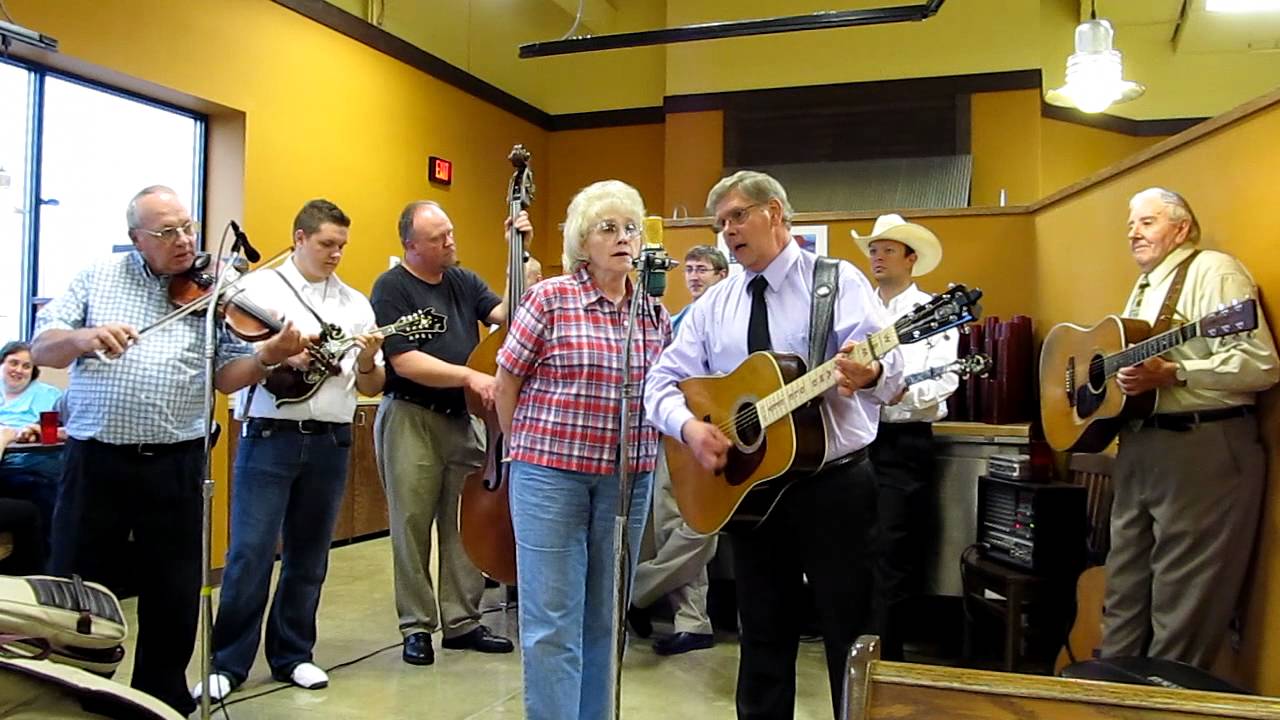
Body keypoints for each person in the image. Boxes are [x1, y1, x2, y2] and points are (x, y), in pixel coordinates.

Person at [29, 185, 306, 715]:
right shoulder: (96, 277)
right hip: (97, 461)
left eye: (188, 227)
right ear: (135, 238)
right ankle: (76, 695)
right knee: (78, 584)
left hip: (178, 461)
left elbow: (228, 378)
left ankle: (160, 699)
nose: (183, 242)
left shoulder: (217, 288)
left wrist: (268, 357)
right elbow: (44, 344)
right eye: (166, 233)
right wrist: (84, 338)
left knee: (174, 591)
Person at [645, 171, 903, 720]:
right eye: (721, 224)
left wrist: (871, 369)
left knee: (852, 631)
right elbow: (660, 382)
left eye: (739, 216)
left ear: (777, 214)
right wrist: (688, 428)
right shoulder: (716, 304)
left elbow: (894, 373)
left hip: (834, 486)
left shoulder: (838, 283)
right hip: (752, 493)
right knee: (760, 634)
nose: (729, 232)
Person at [193, 200, 385, 701]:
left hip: (332, 438)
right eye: (326, 244)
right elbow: (237, 356)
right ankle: (227, 662)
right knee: (250, 551)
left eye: (342, 245)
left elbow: (371, 383)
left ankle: (294, 653)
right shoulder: (258, 289)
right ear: (299, 238)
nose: (336, 254)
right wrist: (278, 351)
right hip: (268, 433)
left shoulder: (356, 304)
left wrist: (367, 360)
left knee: (309, 555)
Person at [494, 180, 670, 719]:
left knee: (606, 619)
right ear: (581, 242)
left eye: (631, 228)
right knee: (552, 620)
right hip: (551, 477)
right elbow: (507, 383)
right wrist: (520, 452)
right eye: (607, 228)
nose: (623, 238)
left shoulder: (652, 311)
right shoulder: (551, 297)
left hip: (627, 481)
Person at [1101, 187, 1278, 669]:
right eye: (1131, 225)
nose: (1134, 233)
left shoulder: (1214, 271)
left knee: (1183, 603)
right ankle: (1106, 699)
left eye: (1148, 222)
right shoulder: (1143, 287)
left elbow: (1262, 365)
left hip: (1202, 444)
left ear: (1181, 228)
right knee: (1123, 590)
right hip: (1143, 445)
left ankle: (1166, 703)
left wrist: (1177, 373)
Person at [370, 200, 522, 666]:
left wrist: (519, 250)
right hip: (411, 416)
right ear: (411, 245)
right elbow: (403, 360)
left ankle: (462, 622)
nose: (450, 242)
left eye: (450, 233)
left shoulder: (463, 280)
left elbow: (507, 316)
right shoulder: (392, 287)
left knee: (464, 524)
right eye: (439, 238)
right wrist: (468, 376)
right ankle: (416, 625)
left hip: (462, 419)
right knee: (412, 524)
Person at [851, 214, 957, 662]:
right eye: (873, 250)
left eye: (887, 249)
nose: (877, 256)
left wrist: (898, 393)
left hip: (903, 440)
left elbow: (946, 380)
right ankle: (853, 648)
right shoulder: (858, 312)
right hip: (856, 443)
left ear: (911, 259)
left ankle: (884, 658)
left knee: (893, 550)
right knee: (854, 545)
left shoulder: (934, 312)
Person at [630, 244, 729, 656]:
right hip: (676, 429)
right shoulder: (679, 319)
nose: (693, 276)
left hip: (717, 430)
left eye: (702, 269)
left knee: (700, 528)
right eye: (688, 269)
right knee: (674, 520)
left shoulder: (730, 313)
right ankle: (692, 620)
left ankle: (635, 590)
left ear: (723, 274)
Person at [0, 340, 64, 548]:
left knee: (41, 490)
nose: (18, 370)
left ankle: (47, 563)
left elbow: (67, 431)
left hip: (31, 468)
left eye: (26, 366)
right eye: (13, 363)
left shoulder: (49, 396)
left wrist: (36, 431)